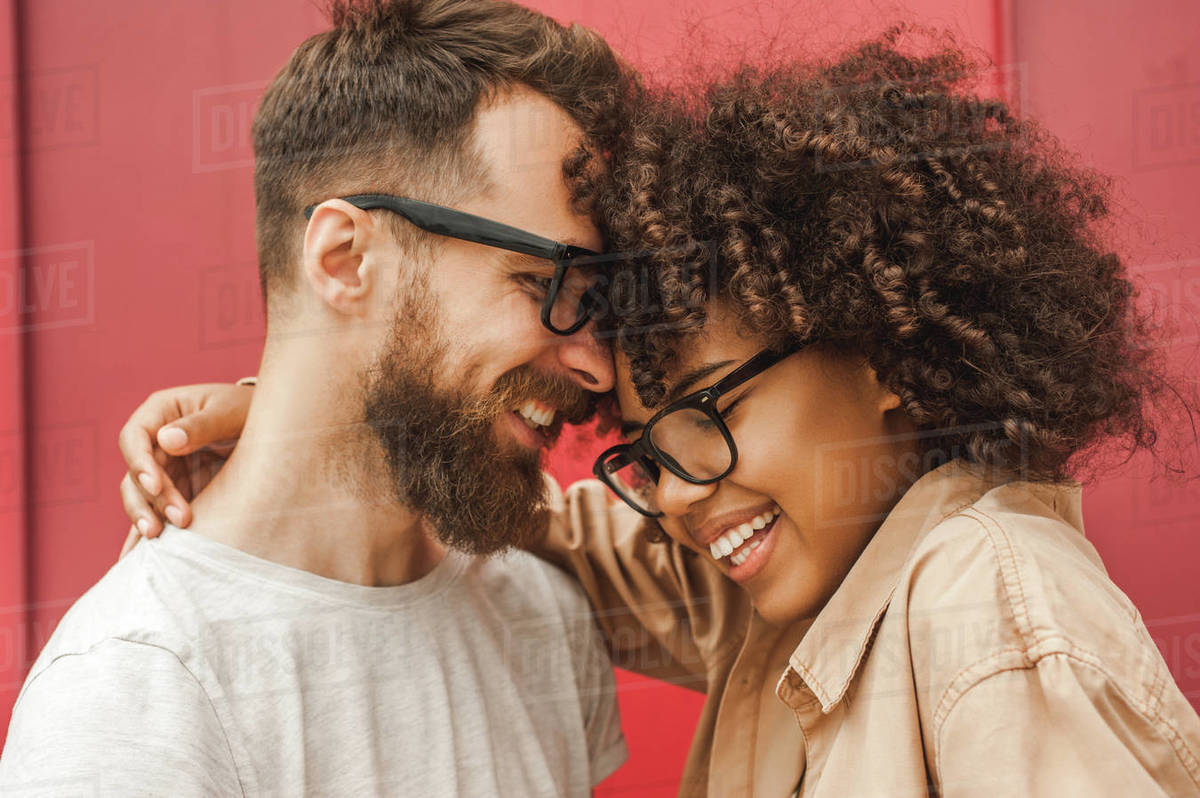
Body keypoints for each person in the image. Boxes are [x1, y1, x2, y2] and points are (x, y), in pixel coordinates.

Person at [113, 29, 1200, 798]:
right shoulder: (775, 586)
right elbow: (545, 527)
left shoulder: (988, 606)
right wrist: (302, 423)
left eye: (705, 407)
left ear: (875, 350)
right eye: (644, 448)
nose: (674, 496)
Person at [0, 1, 634, 795]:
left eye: (595, 300)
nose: (597, 367)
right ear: (344, 260)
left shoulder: (544, 619)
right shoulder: (133, 702)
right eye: (543, 283)